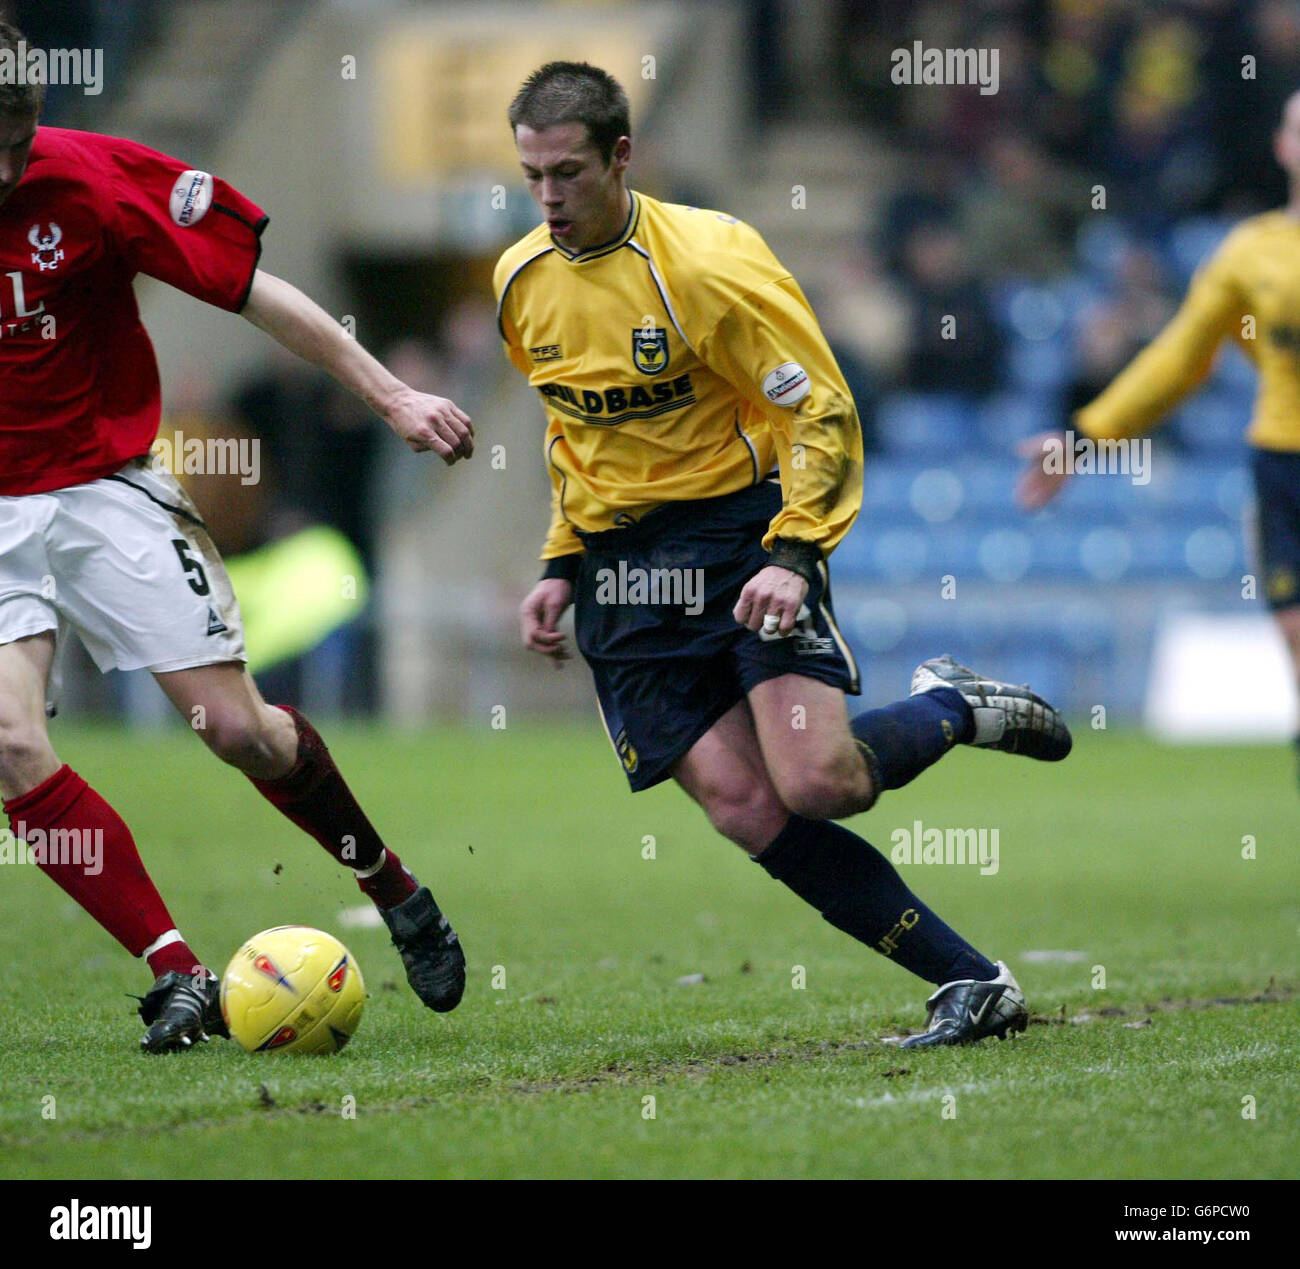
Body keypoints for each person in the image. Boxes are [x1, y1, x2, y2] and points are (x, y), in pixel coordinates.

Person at [500, 62, 1072, 1049]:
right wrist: (558, 567)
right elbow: (573, 436)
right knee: (742, 807)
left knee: (818, 783)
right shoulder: (518, 280)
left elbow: (821, 406)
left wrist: (796, 552)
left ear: (621, 156)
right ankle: (970, 983)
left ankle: (952, 705)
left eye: (568, 173)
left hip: (740, 542)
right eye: (531, 175)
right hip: (622, 580)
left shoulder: (710, 263)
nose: (548, 197)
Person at [0, 19, 470, 1052]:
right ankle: (178, 974)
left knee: (235, 731)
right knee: (10, 741)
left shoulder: (91, 179)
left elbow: (255, 293)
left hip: (100, 487)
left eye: (18, 137)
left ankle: (390, 884)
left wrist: (390, 396)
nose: (6, 164)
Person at [1019, 89, 1300, 786]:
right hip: (1284, 466)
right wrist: (1083, 438)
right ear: (1283, 145)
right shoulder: (1251, 252)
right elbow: (1178, 359)